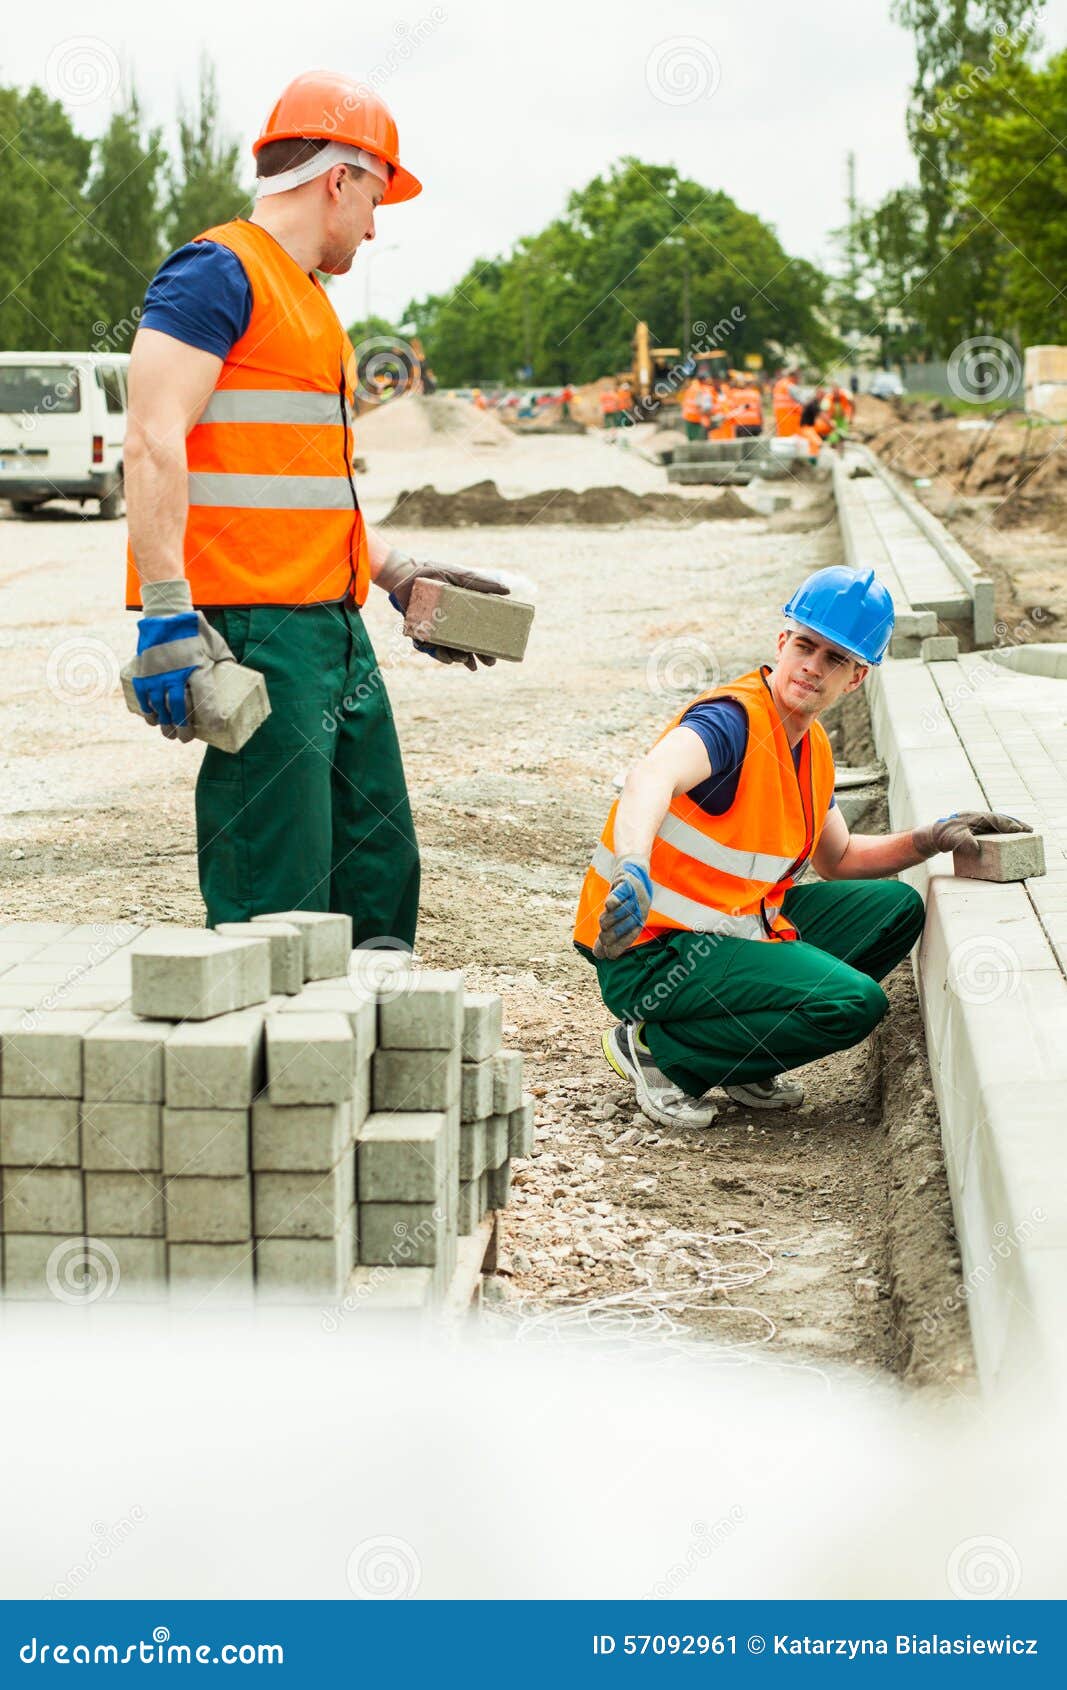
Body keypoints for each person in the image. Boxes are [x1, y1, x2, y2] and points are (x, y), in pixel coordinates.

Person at [123, 70, 508, 945]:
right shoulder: (216, 272)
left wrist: (395, 575)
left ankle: (366, 1056)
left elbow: (303, 483)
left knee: (376, 865)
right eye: (375, 198)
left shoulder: (312, 304)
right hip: (256, 627)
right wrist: (167, 614)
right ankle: (272, 1066)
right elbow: (151, 438)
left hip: (330, 624)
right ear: (339, 177)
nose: (375, 225)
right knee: (278, 885)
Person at [572, 566, 1031, 1129]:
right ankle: (662, 1056)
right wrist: (633, 869)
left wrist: (929, 839)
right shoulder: (731, 722)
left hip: (732, 932)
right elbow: (651, 776)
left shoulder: (809, 744)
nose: (813, 667)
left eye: (835, 659)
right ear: (782, 643)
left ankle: (741, 1054)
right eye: (806, 646)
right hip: (651, 952)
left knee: (895, 909)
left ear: (856, 678)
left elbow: (838, 860)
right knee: (853, 1002)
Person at [772, 366, 804, 437]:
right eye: (798, 377)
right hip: (791, 419)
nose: (798, 380)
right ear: (793, 376)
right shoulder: (790, 386)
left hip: (780, 418)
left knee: (784, 440)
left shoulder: (779, 384)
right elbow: (803, 401)